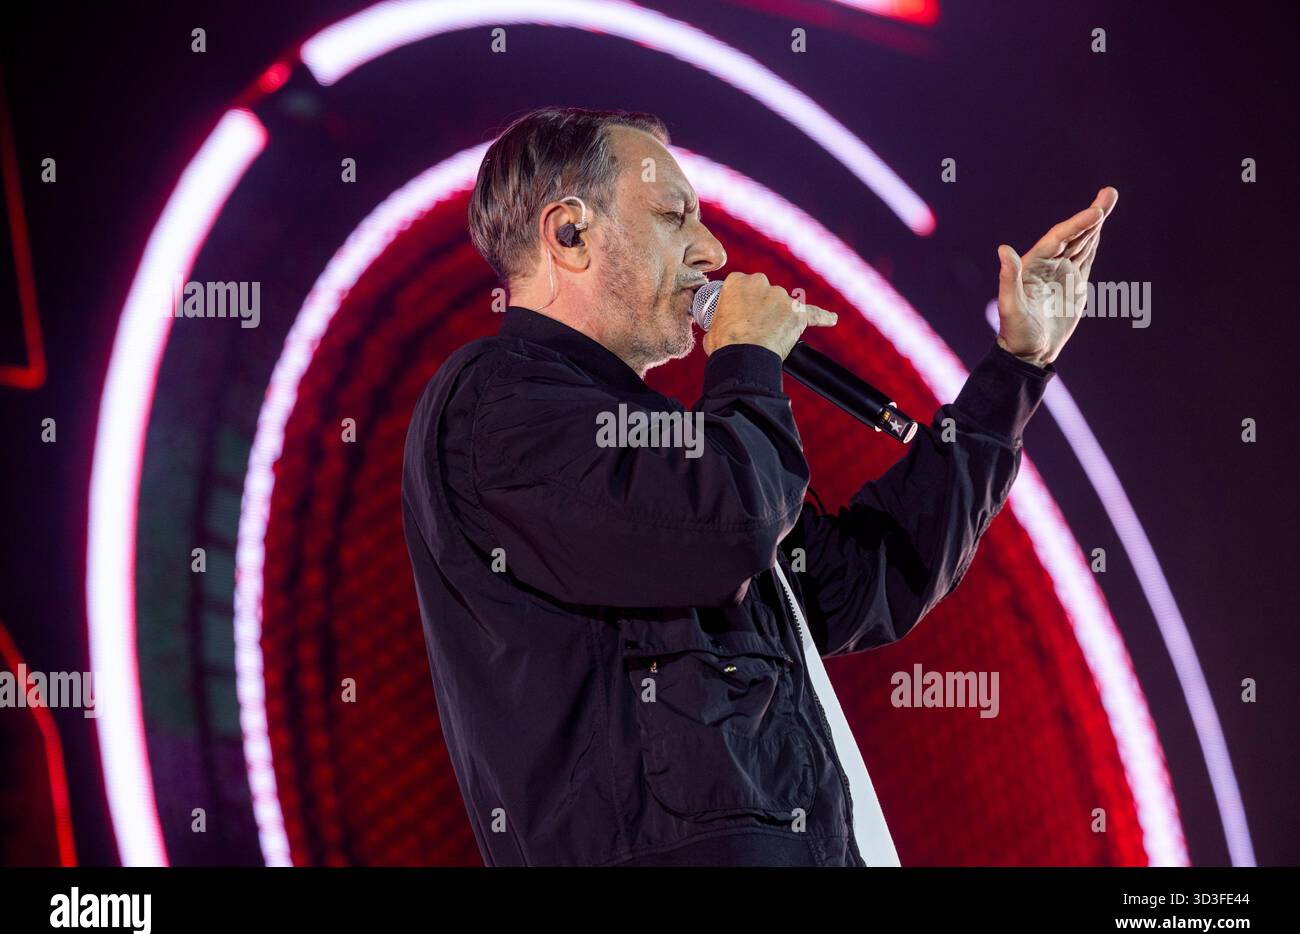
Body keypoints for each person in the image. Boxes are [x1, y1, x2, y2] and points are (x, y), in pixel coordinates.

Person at [401, 106, 1117, 866]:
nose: (711, 252)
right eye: (674, 216)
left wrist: (1015, 368)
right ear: (568, 234)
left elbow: (862, 579)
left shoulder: (667, 453)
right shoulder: (495, 405)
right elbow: (729, 521)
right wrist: (744, 357)